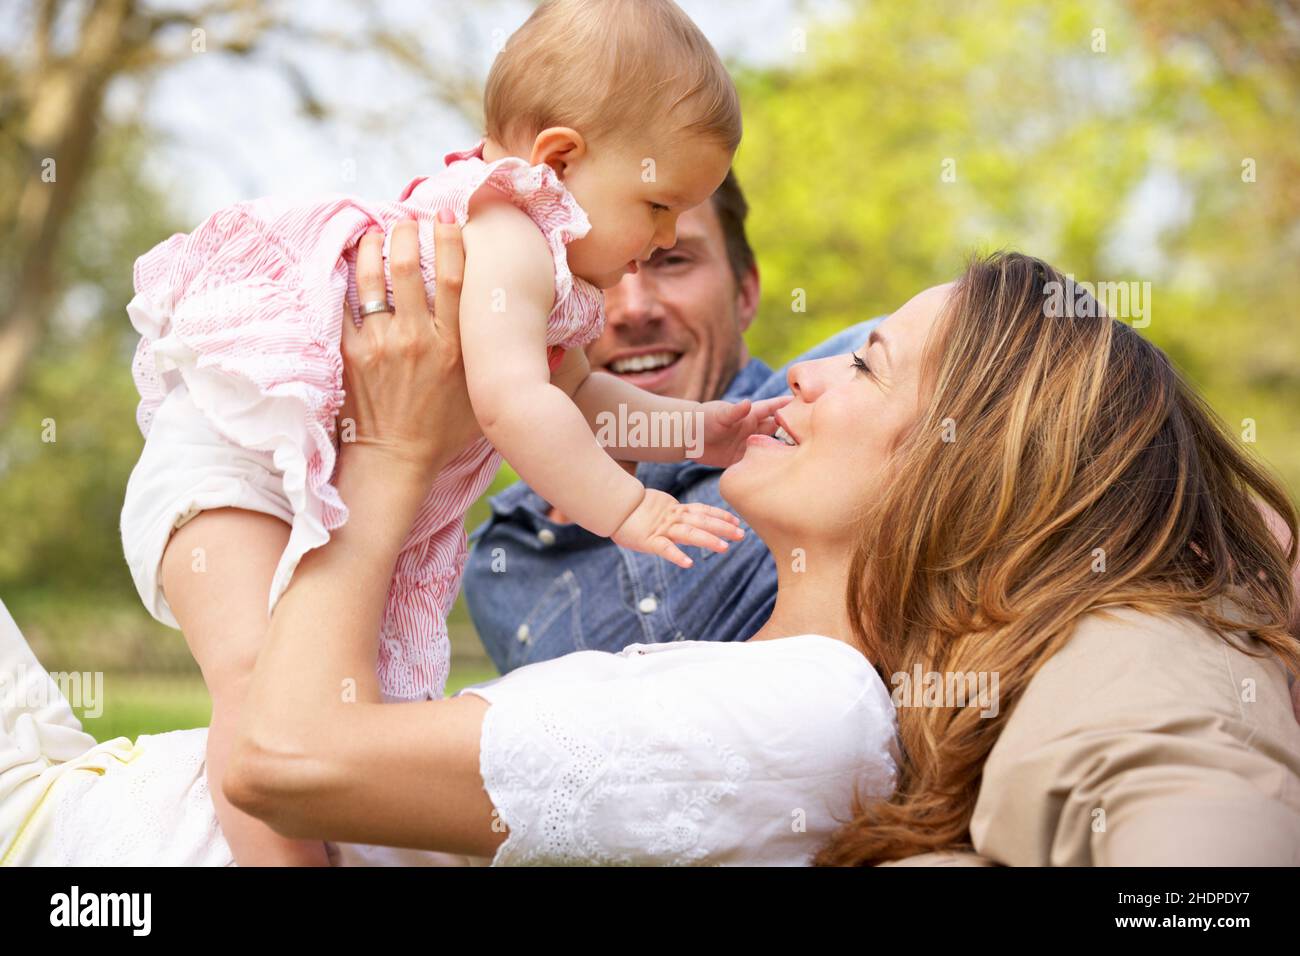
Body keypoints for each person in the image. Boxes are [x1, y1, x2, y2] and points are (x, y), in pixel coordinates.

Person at [4, 229, 1299, 865]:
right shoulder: (772, 671)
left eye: (867, 361)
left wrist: (392, 453)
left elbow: (283, 755)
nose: (810, 372)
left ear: (958, 475)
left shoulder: (801, 715)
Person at [117, 0, 786, 867]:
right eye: (658, 205)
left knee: (336, 696)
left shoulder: (555, 277)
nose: (658, 236)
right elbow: (516, 403)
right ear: (559, 160)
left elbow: (577, 397)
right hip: (233, 463)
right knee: (257, 680)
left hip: (308, 472)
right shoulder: (508, 228)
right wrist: (627, 508)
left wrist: (702, 431)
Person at [464, 167, 878, 671]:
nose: (633, 309)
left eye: (675, 260)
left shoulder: (836, 404)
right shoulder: (498, 565)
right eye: (590, 272)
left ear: (745, 294)